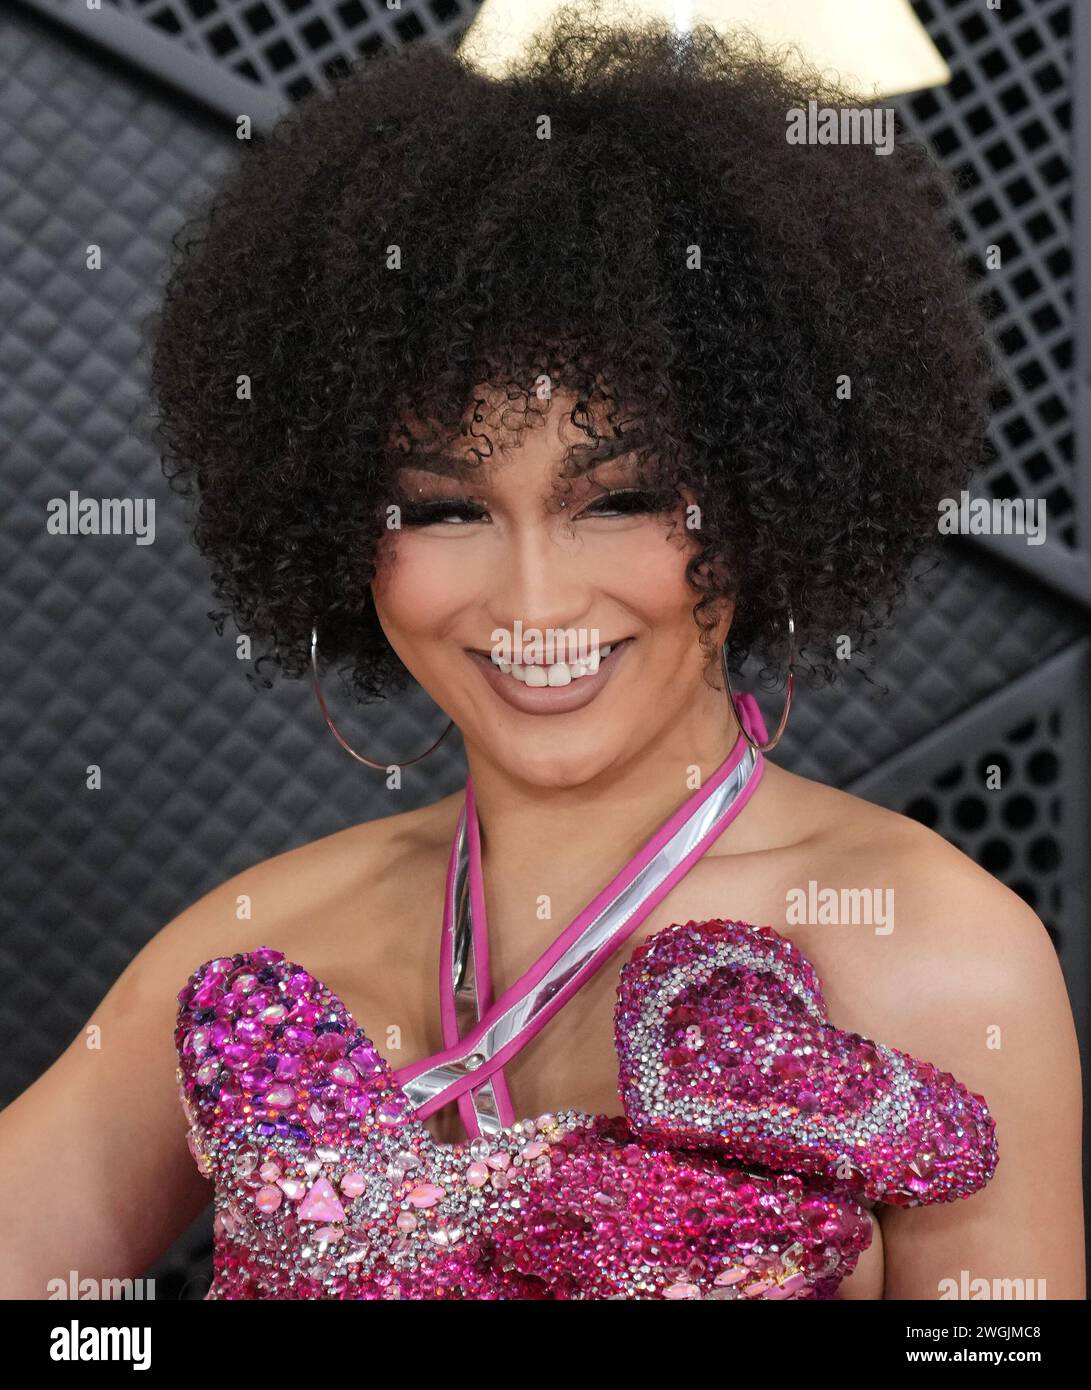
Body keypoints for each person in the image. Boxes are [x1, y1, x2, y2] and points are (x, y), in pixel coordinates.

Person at [0, 5, 1082, 1300]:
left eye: (618, 499)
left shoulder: (938, 952)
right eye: (447, 508)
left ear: (767, 489)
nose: (532, 594)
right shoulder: (262, 950)